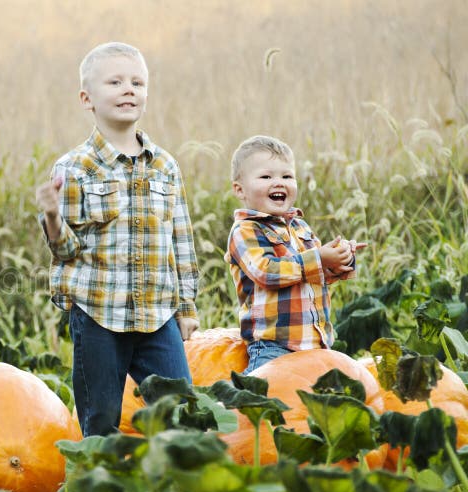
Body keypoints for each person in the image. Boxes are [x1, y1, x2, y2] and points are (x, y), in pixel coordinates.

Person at [35, 42, 200, 437]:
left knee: (183, 414)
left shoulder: (164, 165)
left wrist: (187, 307)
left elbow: (180, 238)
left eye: (138, 83)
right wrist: (53, 216)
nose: (129, 90)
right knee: (100, 420)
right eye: (115, 82)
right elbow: (67, 251)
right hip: (98, 315)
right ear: (86, 98)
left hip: (157, 314)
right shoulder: (75, 167)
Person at [225, 135, 366, 373]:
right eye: (266, 176)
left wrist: (341, 258)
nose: (278, 182)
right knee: (259, 401)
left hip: (317, 345)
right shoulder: (245, 230)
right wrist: (319, 258)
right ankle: (221, 407)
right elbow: (266, 272)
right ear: (240, 189)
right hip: (274, 347)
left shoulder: (300, 228)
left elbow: (318, 274)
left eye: (287, 176)